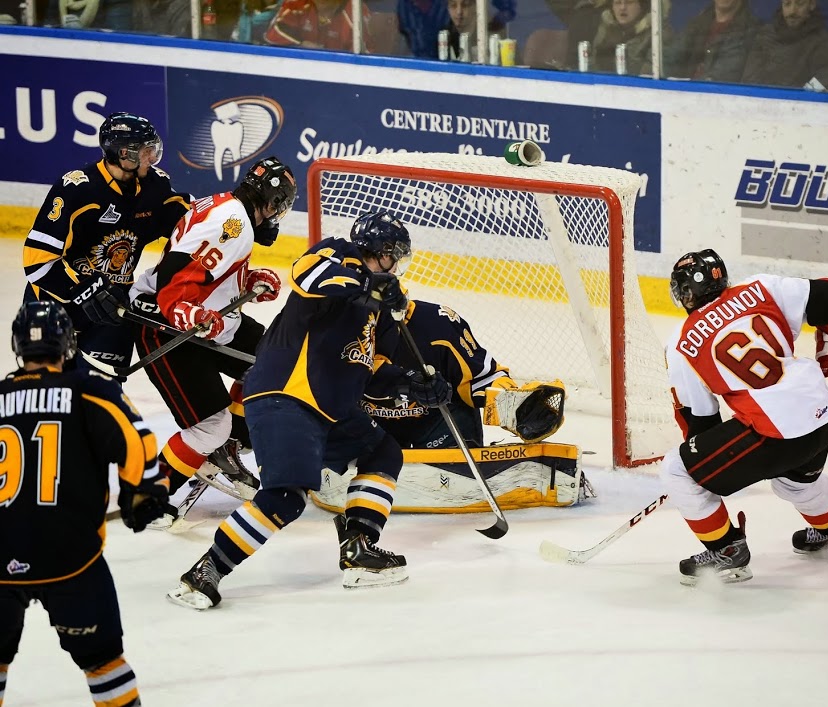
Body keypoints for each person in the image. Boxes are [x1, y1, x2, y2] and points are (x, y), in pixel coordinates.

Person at [166, 210, 452, 609]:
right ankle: (206, 572)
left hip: (330, 410)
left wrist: (412, 384)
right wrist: (372, 283)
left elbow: (365, 369)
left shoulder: (373, 309)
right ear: (381, 252)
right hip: (287, 397)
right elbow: (306, 274)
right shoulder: (338, 256)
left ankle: (360, 549)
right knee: (286, 498)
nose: (396, 266)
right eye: (394, 256)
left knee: (382, 451)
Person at [659, 249, 828, 585]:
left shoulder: (681, 343)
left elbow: (701, 423)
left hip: (777, 435)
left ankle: (726, 551)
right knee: (795, 482)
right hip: (823, 416)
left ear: (683, 293)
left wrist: (702, 470)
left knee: (677, 470)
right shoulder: (763, 288)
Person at [0, 301, 169, 706]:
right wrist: (143, 491)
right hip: (70, 555)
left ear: (18, 346)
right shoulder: (89, 389)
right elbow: (138, 441)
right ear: (67, 345)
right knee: (102, 662)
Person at [128, 156, 295, 517]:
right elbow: (174, 280)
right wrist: (189, 312)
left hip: (205, 323)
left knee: (272, 364)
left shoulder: (227, 207)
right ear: (270, 203)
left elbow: (203, 267)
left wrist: (244, 283)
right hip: (168, 328)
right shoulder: (234, 222)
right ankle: (149, 499)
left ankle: (226, 448)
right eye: (279, 206)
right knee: (209, 427)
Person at [22, 111, 191, 372]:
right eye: (146, 151)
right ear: (124, 154)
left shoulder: (155, 186)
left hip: (114, 308)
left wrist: (248, 217)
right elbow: (37, 262)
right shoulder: (78, 189)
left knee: (104, 386)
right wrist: (87, 289)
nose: (152, 157)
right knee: (47, 389)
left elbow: (193, 221)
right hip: (55, 306)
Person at [362, 298, 566, 449]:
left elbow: (481, 377)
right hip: (366, 434)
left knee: (451, 396)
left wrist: (512, 405)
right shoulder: (340, 323)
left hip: (437, 434)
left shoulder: (436, 323)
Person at [740, 0, 828, 90]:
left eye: (799, 3)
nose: (792, 11)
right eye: (787, 3)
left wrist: (798, 100)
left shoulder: (824, 42)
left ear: (811, 5)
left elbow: (823, 80)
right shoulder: (765, 35)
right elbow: (749, 80)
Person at [665, 0, 760, 83]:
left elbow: (719, 80)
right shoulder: (698, 23)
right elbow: (668, 60)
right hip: (680, 95)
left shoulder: (749, 30)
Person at [398, 0, 515, 59]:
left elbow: (506, 11)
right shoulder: (404, 6)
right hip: (418, 66)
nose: (458, 12)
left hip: (463, 64)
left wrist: (505, 12)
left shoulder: (452, 8)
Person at [592, 0, 673, 75]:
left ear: (642, 6)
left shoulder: (658, 33)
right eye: (617, 2)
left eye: (629, 2)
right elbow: (592, 66)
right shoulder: (606, 29)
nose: (622, 7)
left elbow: (650, 74)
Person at [262, 0, 374, 51]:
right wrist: (301, 45)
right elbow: (273, 34)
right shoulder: (297, 3)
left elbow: (365, 57)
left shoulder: (356, 11)